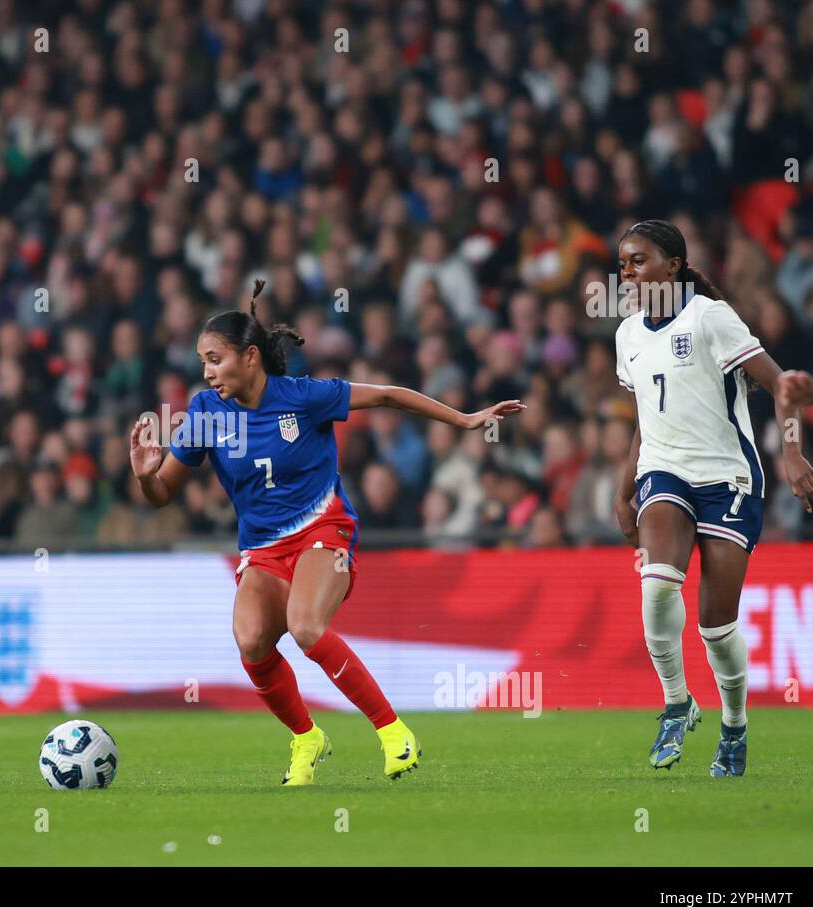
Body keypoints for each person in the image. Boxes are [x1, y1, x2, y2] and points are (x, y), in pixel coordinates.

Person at [129, 280, 524, 785]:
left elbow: (384, 394)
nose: (207, 372)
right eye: (203, 362)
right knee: (250, 640)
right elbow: (163, 494)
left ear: (250, 356)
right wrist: (145, 476)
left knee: (306, 625)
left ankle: (392, 732)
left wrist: (465, 419)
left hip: (324, 530)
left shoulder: (304, 396)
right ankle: (306, 737)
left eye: (215, 359)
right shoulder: (206, 413)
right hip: (263, 550)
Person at [612, 220, 813, 777]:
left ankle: (734, 724)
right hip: (665, 471)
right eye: (623, 263)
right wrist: (624, 484)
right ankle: (677, 703)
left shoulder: (711, 318)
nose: (626, 272)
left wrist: (793, 454)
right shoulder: (628, 335)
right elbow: (645, 417)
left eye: (637, 260)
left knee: (714, 624)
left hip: (727, 478)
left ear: (673, 264)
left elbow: (781, 387)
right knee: (657, 586)